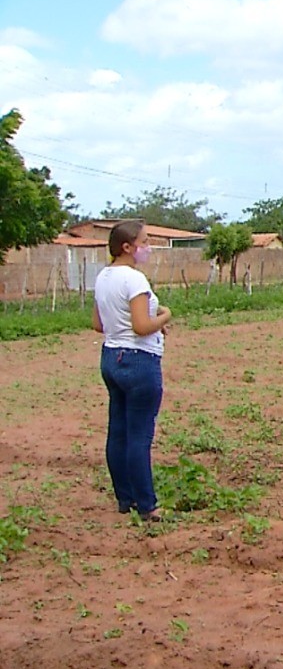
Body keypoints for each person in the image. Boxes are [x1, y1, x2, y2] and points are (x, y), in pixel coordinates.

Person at [91, 220, 171, 521]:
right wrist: (165, 316)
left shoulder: (103, 277)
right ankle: (147, 504)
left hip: (111, 358)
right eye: (145, 241)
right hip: (139, 362)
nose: (148, 247)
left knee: (119, 432)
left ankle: (125, 499)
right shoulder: (135, 280)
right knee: (139, 435)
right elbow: (140, 327)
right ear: (128, 247)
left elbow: (99, 324)